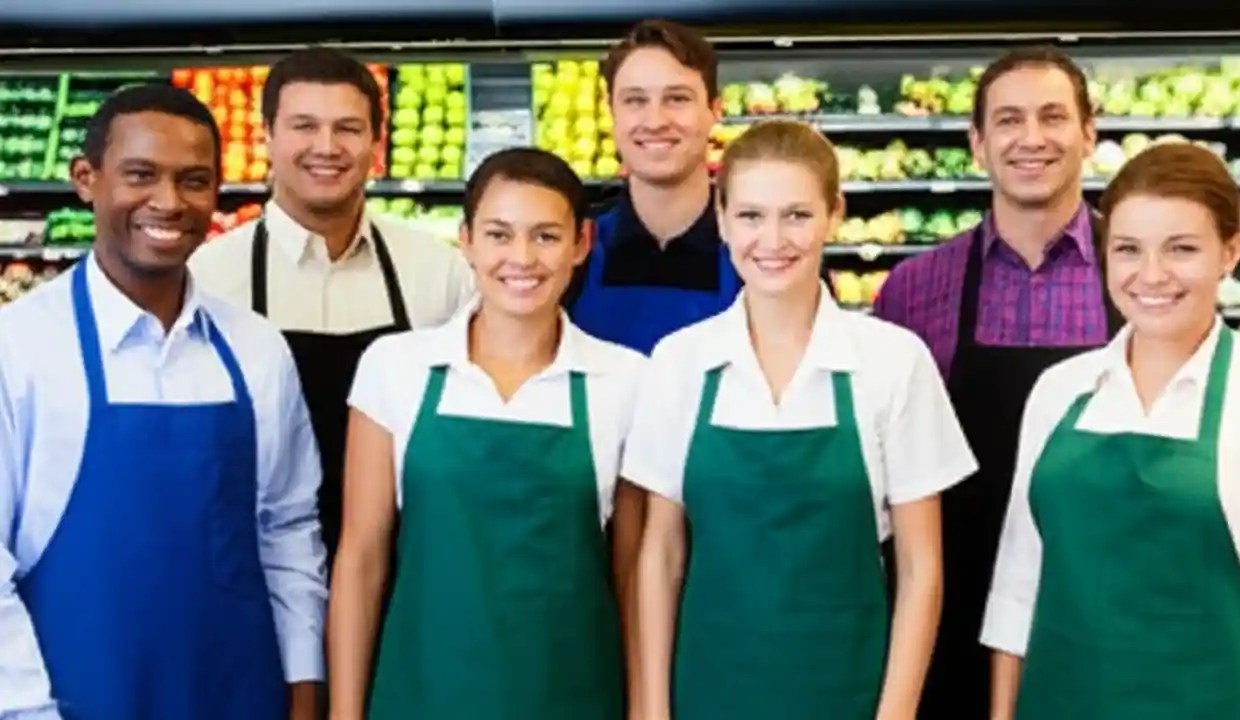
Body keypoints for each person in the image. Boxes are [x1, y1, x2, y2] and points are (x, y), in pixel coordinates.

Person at [624, 120, 977, 719]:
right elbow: (661, 553)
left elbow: (922, 570)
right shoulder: (680, 362)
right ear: (722, 215)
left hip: (849, 692)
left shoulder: (893, 361)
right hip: (709, 691)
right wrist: (652, 710)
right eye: (752, 216)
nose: (773, 239)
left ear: (833, 214)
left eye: (797, 215)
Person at [0, 84, 327, 719]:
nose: (169, 203)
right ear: (87, 179)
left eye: (194, 180)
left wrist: (304, 684)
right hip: (72, 701)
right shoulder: (19, 349)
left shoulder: (256, 349)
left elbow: (287, 531)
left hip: (242, 695)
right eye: (141, 175)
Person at [326, 147, 645, 719]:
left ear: (581, 243)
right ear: (466, 240)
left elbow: (631, 577)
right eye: (499, 235)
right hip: (422, 695)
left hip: (573, 697)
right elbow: (361, 558)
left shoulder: (625, 381)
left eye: (546, 236)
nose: (521, 258)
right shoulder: (395, 367)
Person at [983, 141, 1240, 718]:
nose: (1152, 276)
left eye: (1182, 249)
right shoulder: (1060, 392)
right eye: (1128, 250)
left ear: (1231, 250)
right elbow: (1018, 590)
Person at [871, 45, 1124, 718]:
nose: (1032, 138)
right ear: (978, 143)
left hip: (1106, 615)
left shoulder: (1140, 278)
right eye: (1009, 120)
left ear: (1089, 134)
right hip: (950, 619)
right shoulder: (915, 290)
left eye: (1053, 117)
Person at [189, 47, 475, 565]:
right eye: (304, 126)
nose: (327, 147)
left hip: (408, 563)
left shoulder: (442, 274)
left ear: (375, 144)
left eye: (348, 128)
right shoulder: (207, 280)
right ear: (266, 138)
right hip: (250, 563)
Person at [566, 19, 741, 356]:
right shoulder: (573, 248)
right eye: (635, 100)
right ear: (611, 111)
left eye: (677, 98)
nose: (655, 121)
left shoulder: (758, 247)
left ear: (715, 111)